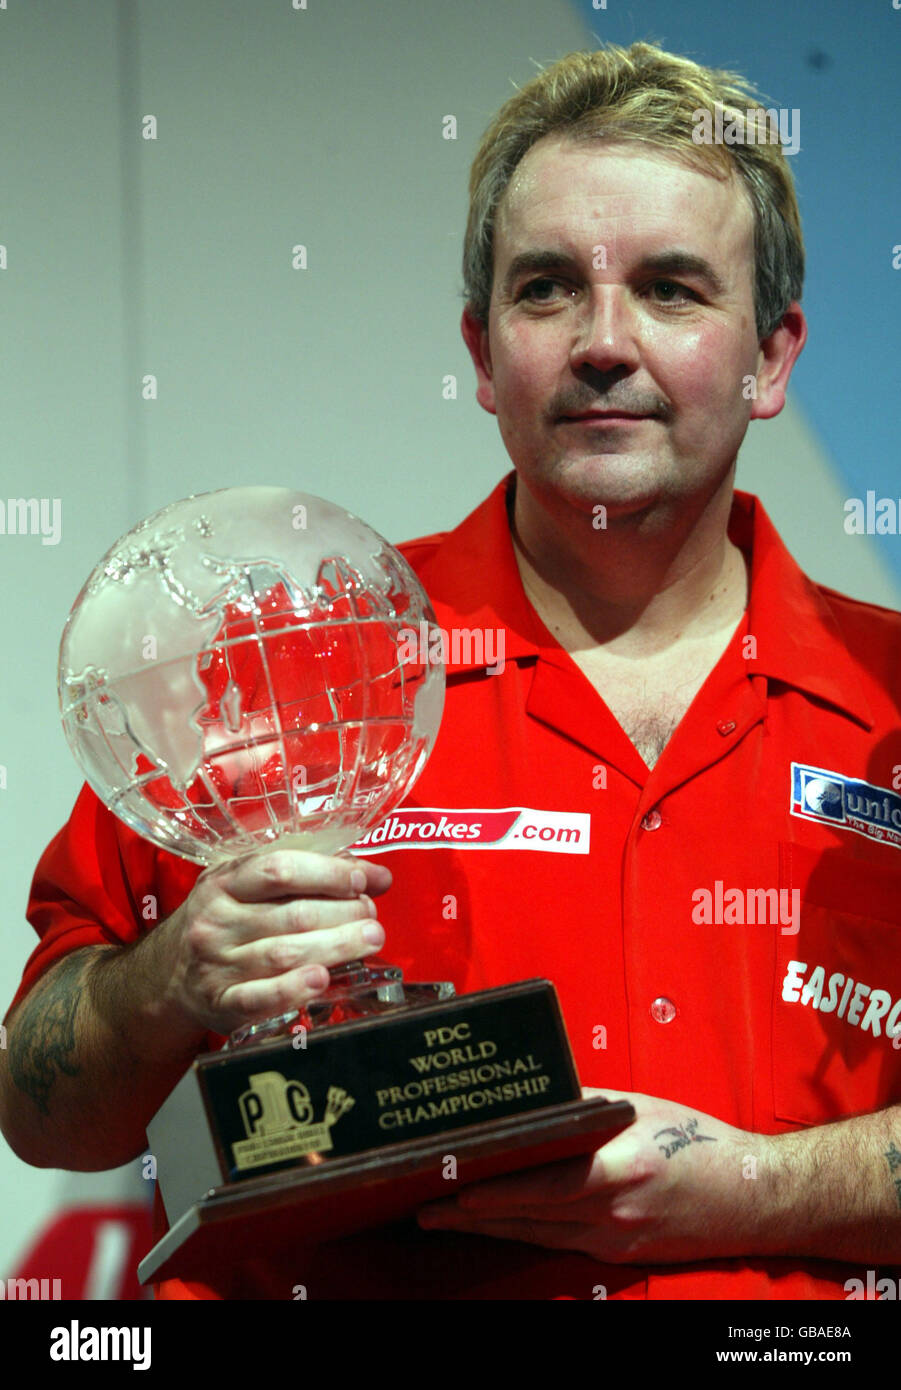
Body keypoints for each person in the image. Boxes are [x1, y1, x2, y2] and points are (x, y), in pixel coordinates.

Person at [2, 40, 900, 1301]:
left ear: (771, 358)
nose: (603, 342)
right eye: (547, 288)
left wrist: (757, 1185)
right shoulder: (298, 664)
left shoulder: (889, 703)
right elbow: (42, 1112)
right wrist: (165, 983)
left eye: (670, 289)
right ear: (482, 352)